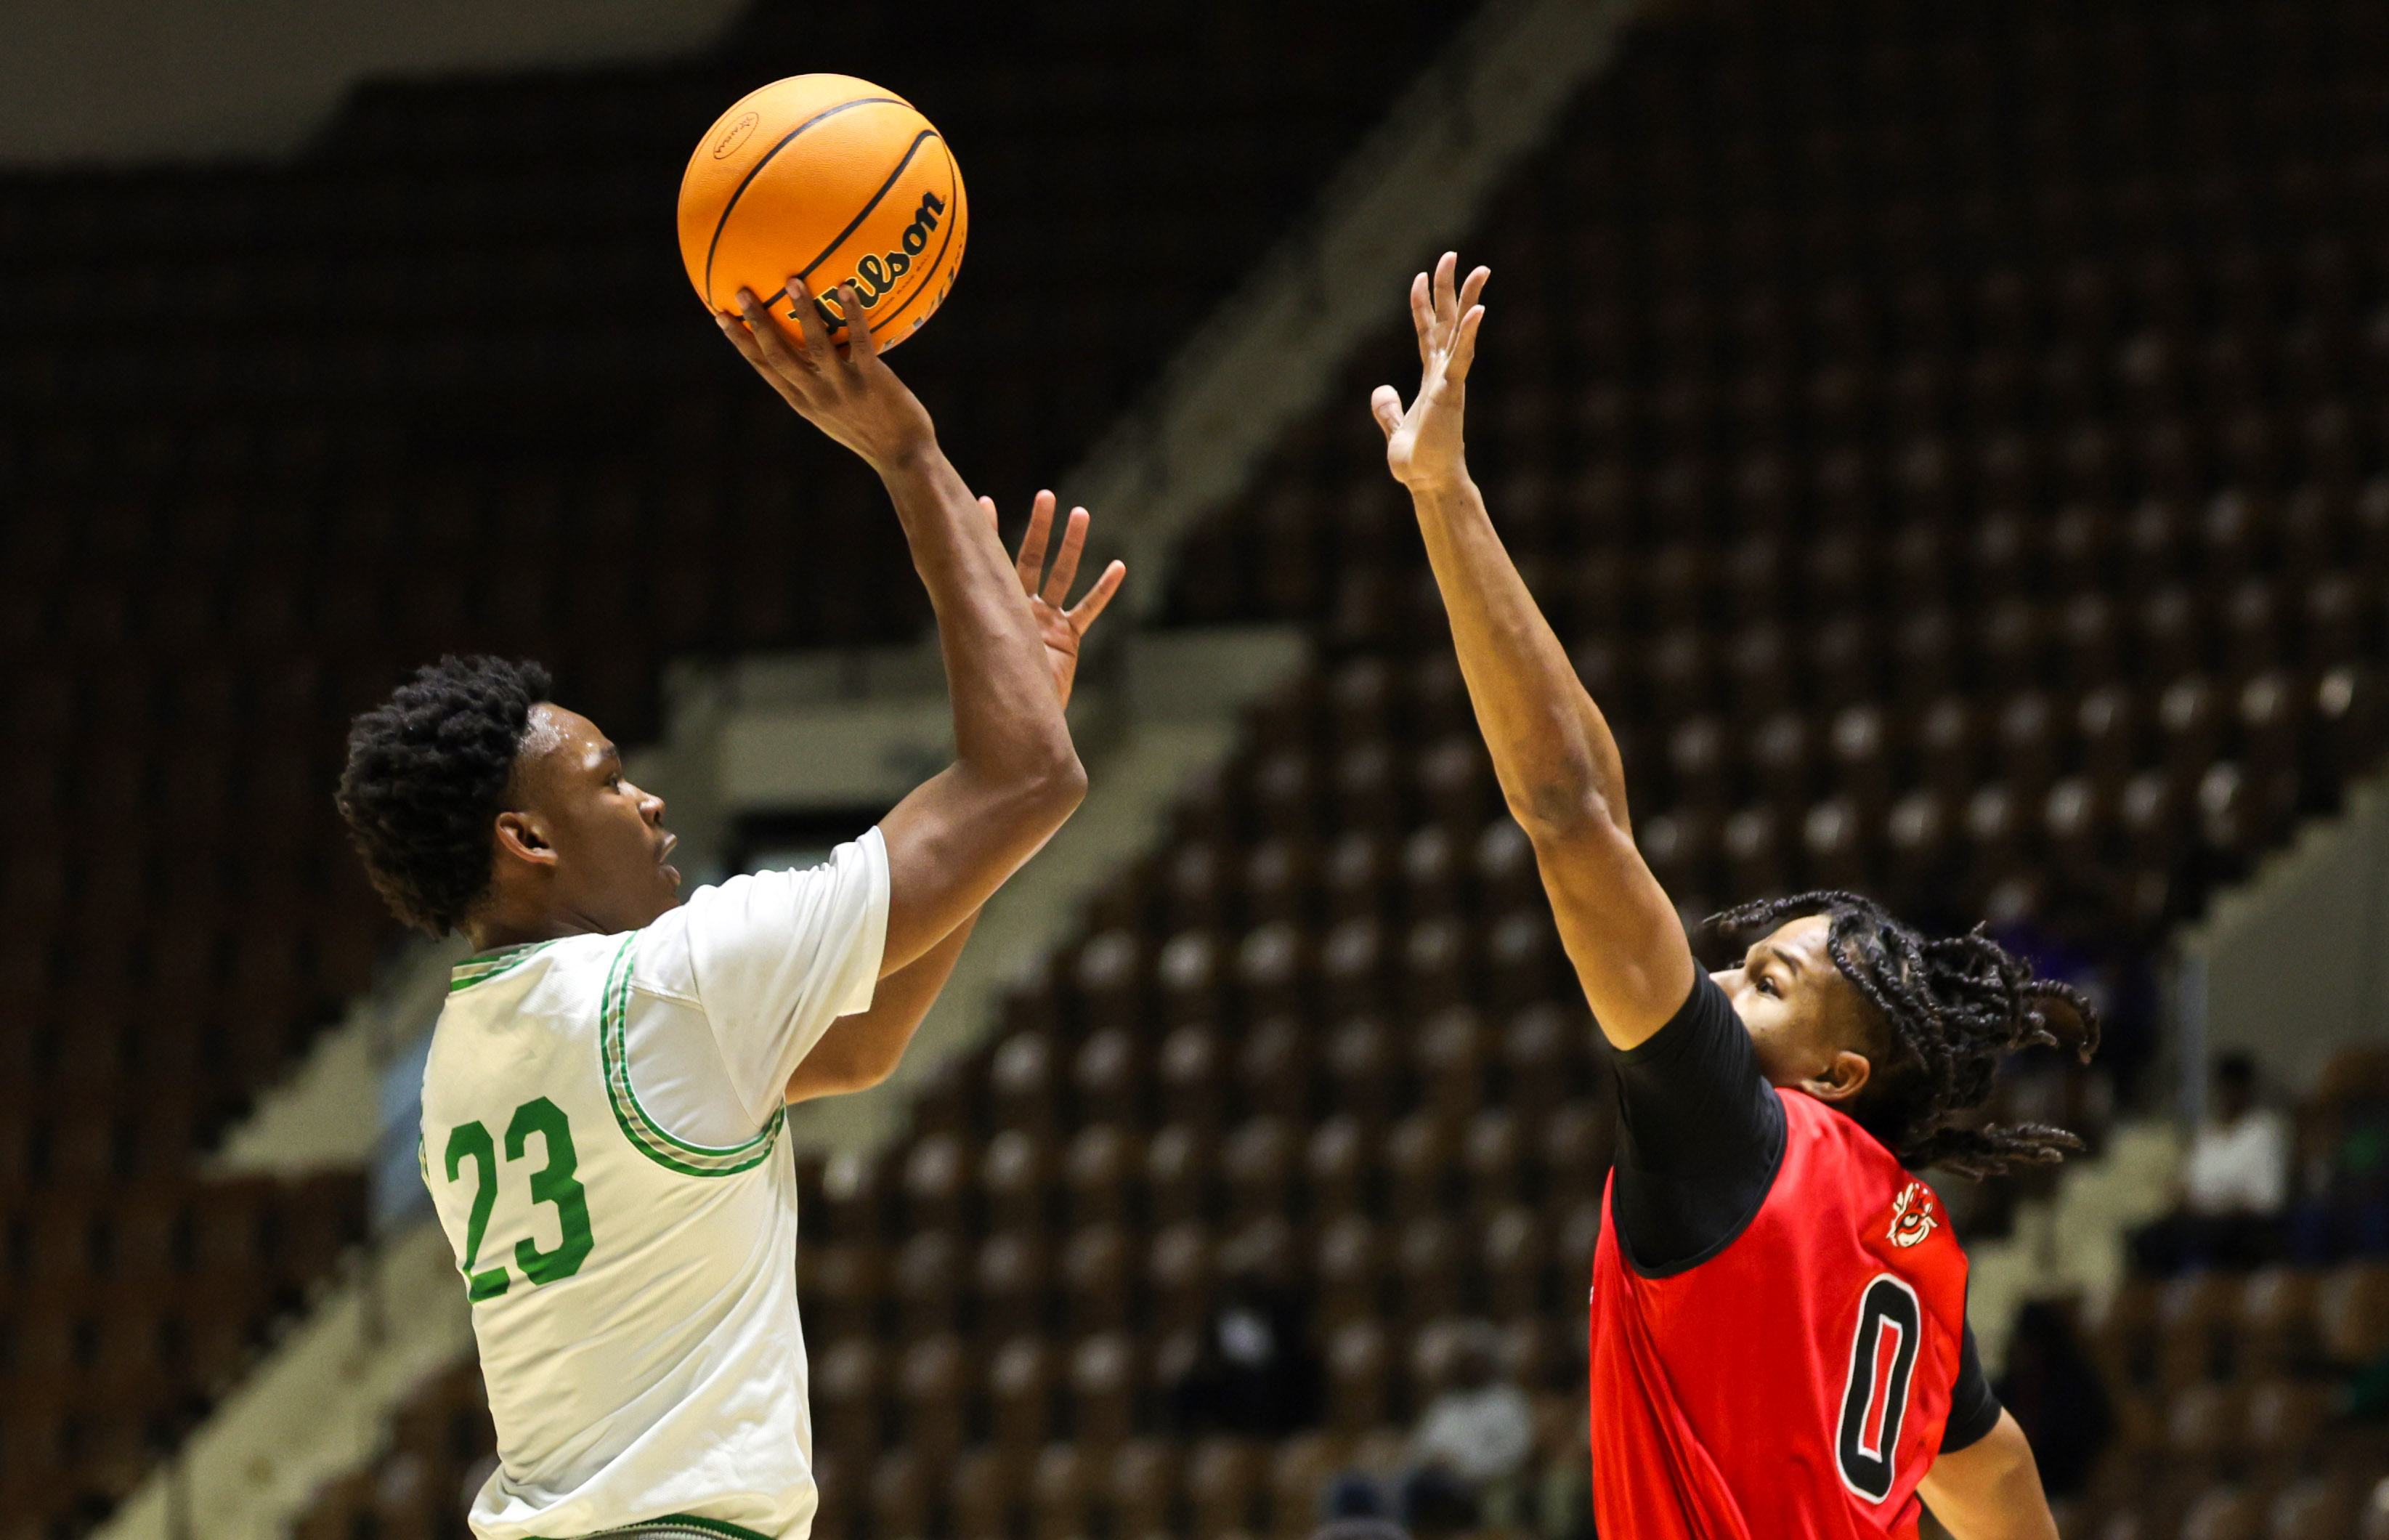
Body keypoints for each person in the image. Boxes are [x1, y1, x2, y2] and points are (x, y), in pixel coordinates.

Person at [335, 275, 1124, 1540]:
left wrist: (994, 785)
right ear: (526, 838)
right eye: (605, 780)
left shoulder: (456, 1070)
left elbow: (857, 1044)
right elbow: (1027, 779)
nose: (648, 802)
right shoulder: (665, 988)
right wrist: (910, 454)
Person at [1368, 254, 2102, 1539]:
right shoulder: (1909, 1246)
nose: (1715, 982)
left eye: (1768, 982)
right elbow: (1991, 1478)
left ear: (1832, 1073)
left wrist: (1445, 501)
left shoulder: (1730, 1134)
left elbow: (1567, 820)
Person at [2132, 1050, 2291, 1273]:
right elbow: (2188, 1184)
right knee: (2146, 1239)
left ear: (2246, 1090)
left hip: (2240, 1225)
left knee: (2204, 1239)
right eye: (2223, 1087)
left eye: (2234, 1087)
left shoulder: (2263, 1130)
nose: (2227, 1094)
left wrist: (2219, 1210)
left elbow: (2266, 1200)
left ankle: (2199, 1293)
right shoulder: (2207, 1134)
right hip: (2199, 1220)